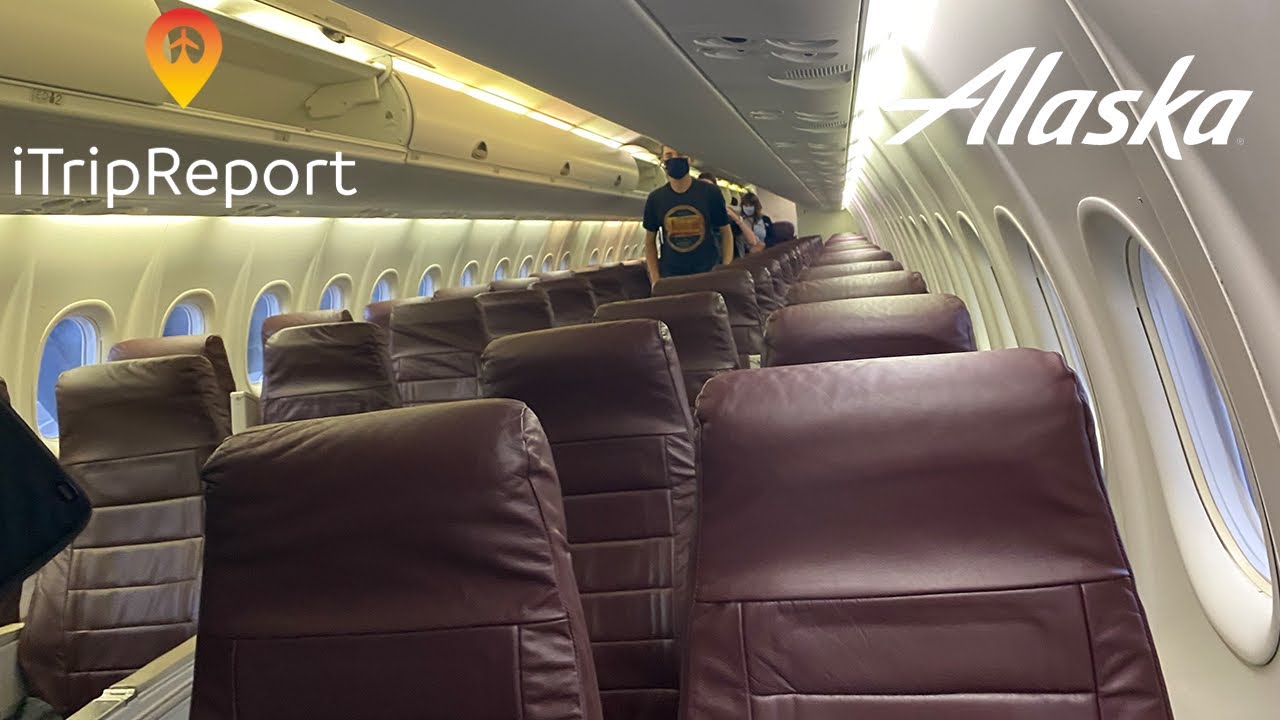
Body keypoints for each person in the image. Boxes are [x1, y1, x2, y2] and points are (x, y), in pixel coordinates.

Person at [642, 147, 733, 283]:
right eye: (669, 155)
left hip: (708, 273)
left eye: (680, 154)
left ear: (690, 158)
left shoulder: (710, 193)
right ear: (662, 160)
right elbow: (649, 242)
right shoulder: (655, 199)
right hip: (672, 276)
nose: (675, 159)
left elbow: (726, 232)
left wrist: (725, 268)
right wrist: (655, 279)